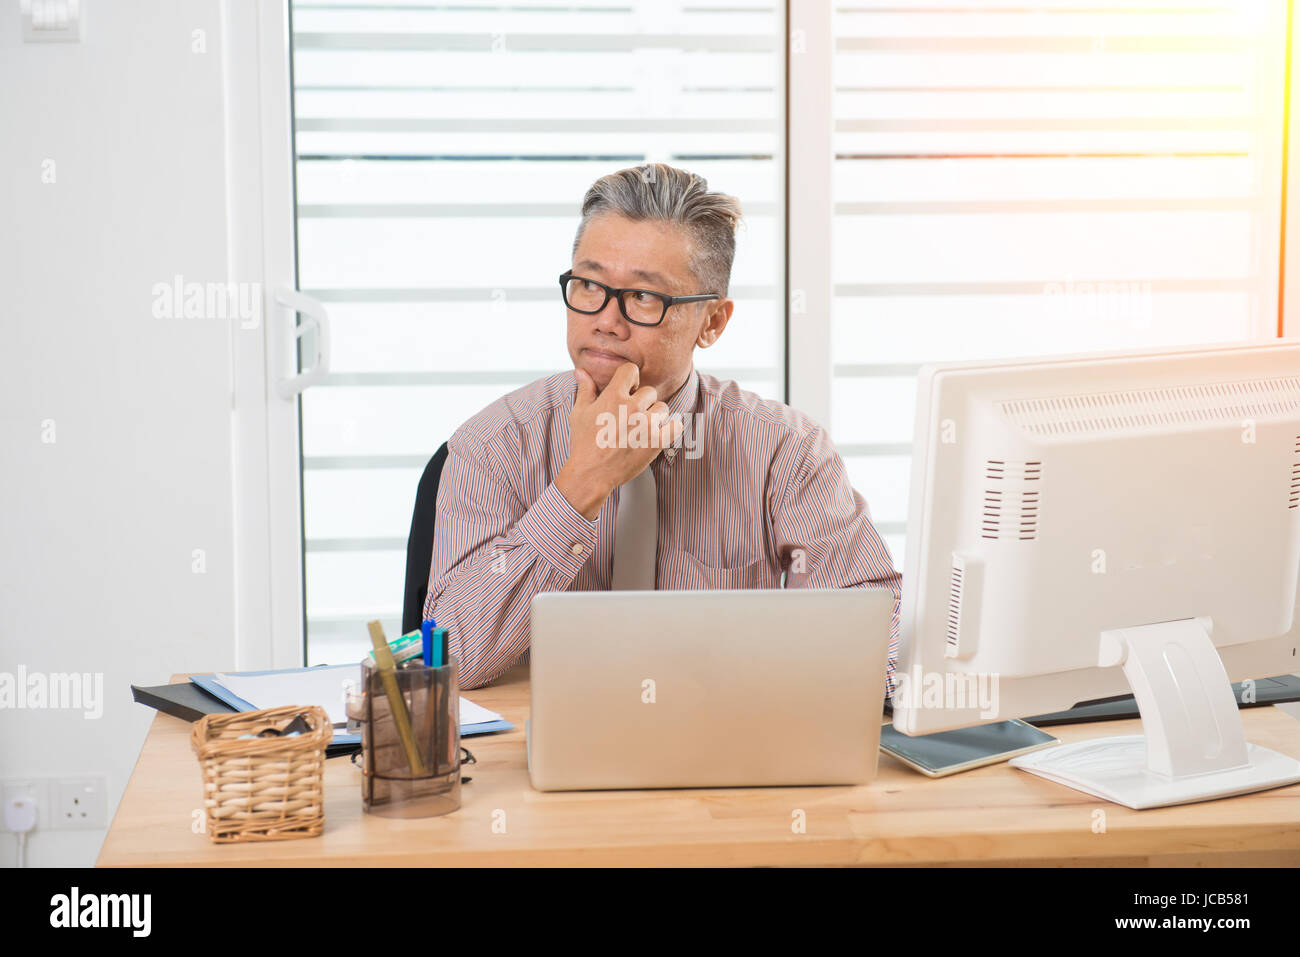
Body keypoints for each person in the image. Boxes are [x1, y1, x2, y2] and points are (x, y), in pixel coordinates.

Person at [424, 163, 901, 690]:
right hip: (548, 749)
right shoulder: (492, 445)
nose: (605, 319)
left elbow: (871, 642)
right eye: (588, 285)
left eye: (645, 297)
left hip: (727, 746)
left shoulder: (786, 451)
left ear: (713, 322)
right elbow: (450, 659)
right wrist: (581, 484)